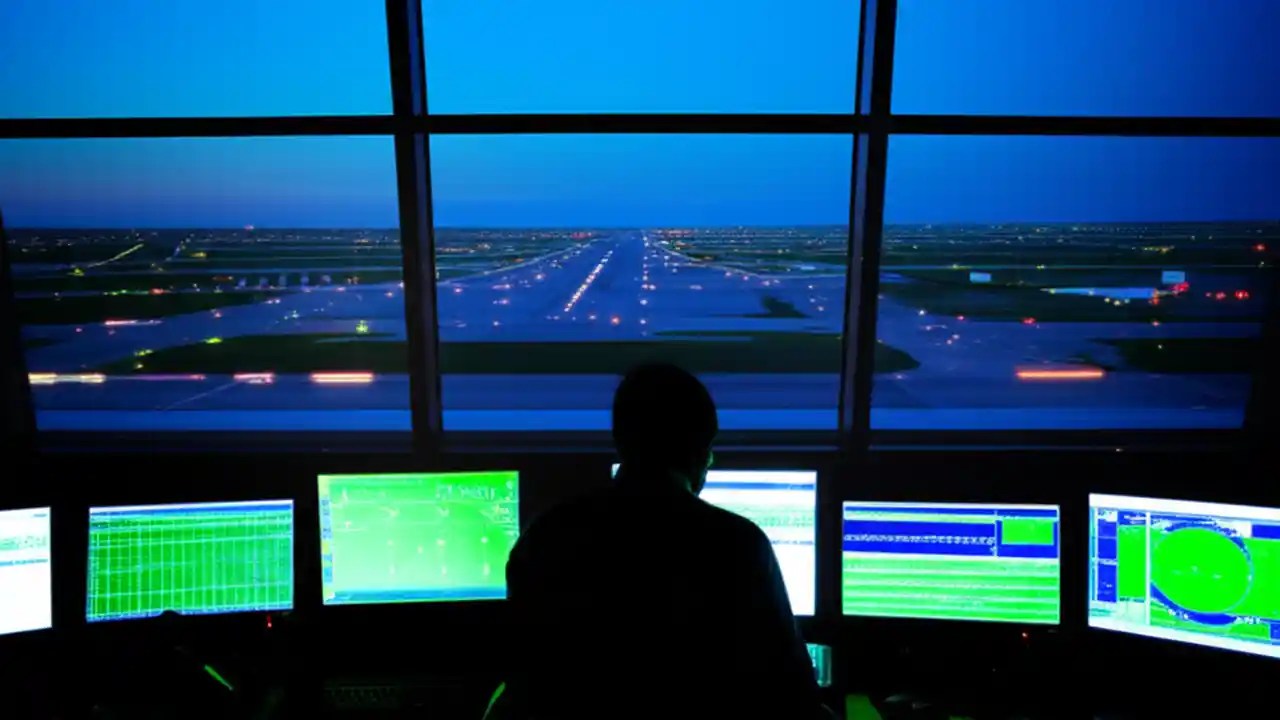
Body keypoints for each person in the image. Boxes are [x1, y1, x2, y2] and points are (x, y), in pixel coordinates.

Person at [487, 364, 824, 719]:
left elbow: (520, 678)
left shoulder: (544, 538)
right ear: (700, 452)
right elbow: (794, 691)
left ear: (621, 441)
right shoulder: (739, 545)